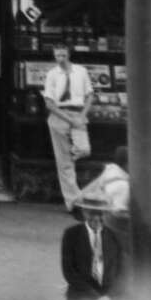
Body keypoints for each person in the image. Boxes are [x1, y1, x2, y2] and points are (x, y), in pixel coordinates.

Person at [41, 45, 95, 216]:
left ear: (69, 55)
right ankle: (74, 204)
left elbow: (90, 95)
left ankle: (67, 159)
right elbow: (49, 103)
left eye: (63, 55)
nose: (60, 59)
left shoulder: (81, 71)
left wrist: (82, 116)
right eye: (57, 56)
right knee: (64, 164)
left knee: (84, 150)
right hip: (59, 115)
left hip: (77, 114)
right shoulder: (51, 74)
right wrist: (68, 119)